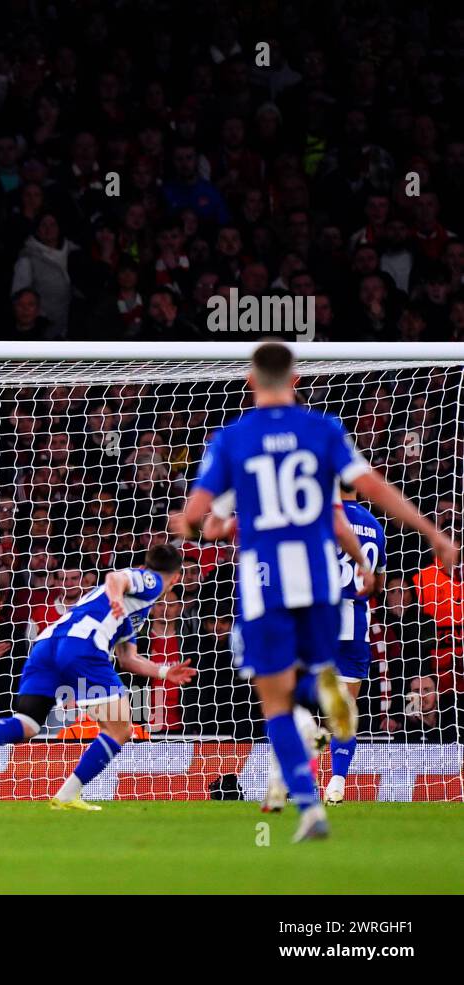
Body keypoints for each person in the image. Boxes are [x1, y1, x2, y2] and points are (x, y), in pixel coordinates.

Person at [173, 341, 457, 841]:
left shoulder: (233, 439)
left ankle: (309, 792)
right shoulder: (323, 431)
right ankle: (315, 766)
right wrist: (431, 533)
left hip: (268, 583)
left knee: (275, 701)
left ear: (250, 381)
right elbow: (363, 495)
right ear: (297, 380)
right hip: (323, 585)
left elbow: (198, 519)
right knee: (320, 683)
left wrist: (197, 526)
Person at [0, 544, 194, 809]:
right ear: (177, 576)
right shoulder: (151, 581)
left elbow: (128, 659)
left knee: (29, 723)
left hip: (46, 645)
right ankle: (67, 795)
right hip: (83, 646)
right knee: (121, 728)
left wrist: (164, 671)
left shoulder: (132, 609)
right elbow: (116, 578)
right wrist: (115, 598)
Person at [324, 483, 387, 805]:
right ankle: (337, 781)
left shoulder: (322, 515)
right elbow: (379, 584)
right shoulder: (375, 526)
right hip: (355, 623)